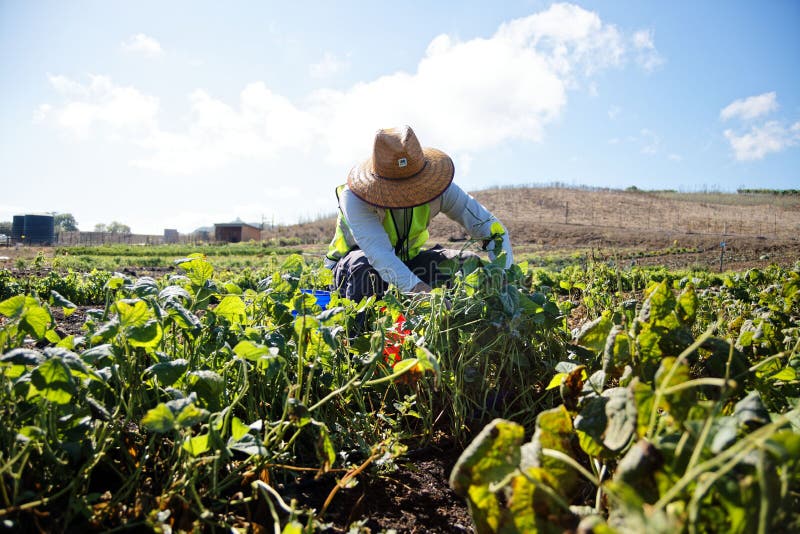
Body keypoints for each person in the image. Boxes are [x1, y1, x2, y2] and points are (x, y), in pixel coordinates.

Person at [324, 125, 514, 302]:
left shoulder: (440, 189)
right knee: (365, 270)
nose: (406, 192)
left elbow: (493, 231)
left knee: (467, 263)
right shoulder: (355, 197)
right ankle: (357, 335)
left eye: (412, 184)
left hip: (408, 263)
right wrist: (423, 294)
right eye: (396, 187)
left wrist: (505, 279)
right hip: (350, 269)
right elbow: (380, 255)